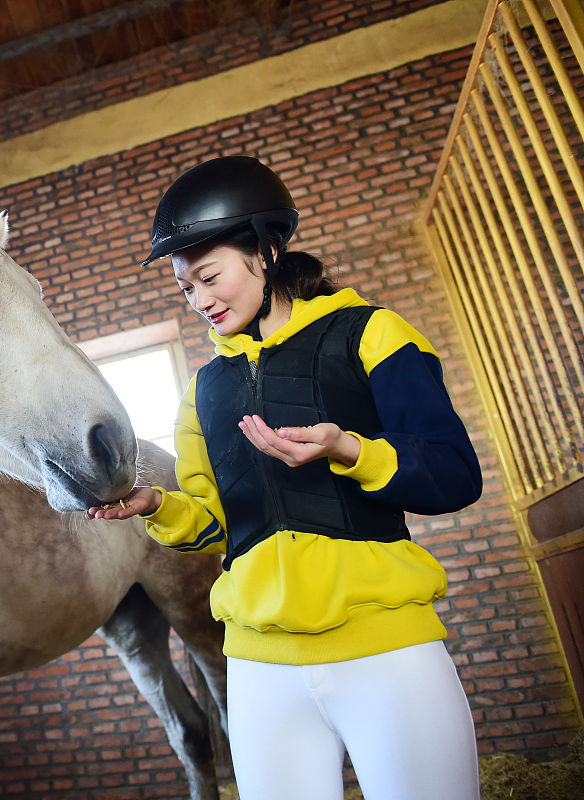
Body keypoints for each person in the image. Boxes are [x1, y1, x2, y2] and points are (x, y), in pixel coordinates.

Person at [88, 155, 483, 800]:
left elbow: (455, 473)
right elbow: (218, 523)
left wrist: (350, 450)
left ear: (267, 250)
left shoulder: (371, 334)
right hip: (258, 667)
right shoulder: (204, 389)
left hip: (385, 651)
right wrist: (154, 504)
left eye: (210, 278)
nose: (201, 302)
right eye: (187, 290)